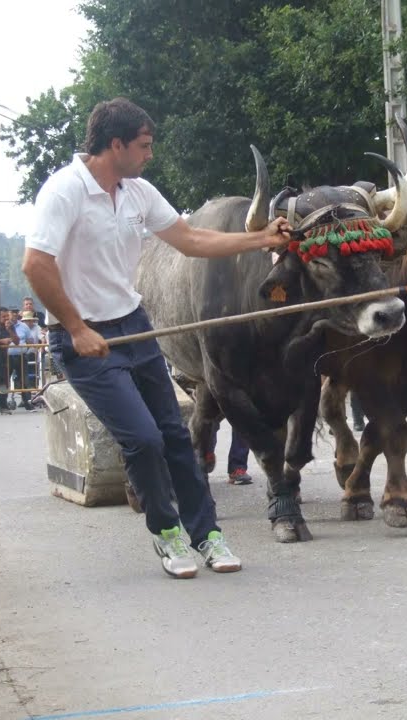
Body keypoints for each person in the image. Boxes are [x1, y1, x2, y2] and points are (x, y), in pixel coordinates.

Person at [21, 97, 292, 578]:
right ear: (116, 144)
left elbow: (191, 240)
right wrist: (77, 328)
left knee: (174, 436)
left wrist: (263, 239)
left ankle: (207, 535)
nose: (150, 154)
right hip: (83, 339)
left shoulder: (138, 192)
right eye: (144, 145)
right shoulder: (64, 191)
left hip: (135, 325)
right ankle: (167, 532)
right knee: (144, 440)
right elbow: (36, 264)